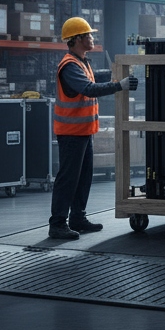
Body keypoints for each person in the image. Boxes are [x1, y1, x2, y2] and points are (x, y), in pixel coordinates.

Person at [48, 17, 138, 240]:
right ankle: (57, 224)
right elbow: (88, 88)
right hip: (71, 134)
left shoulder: (82, 61)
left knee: (84, 177)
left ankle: (77, 217)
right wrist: (119, 85)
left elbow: (93, 78)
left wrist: (115, 74)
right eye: (88, 35)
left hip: (84, 132)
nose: (92, 38)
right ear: (77, 39)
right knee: (68, 179)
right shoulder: (69, 66)